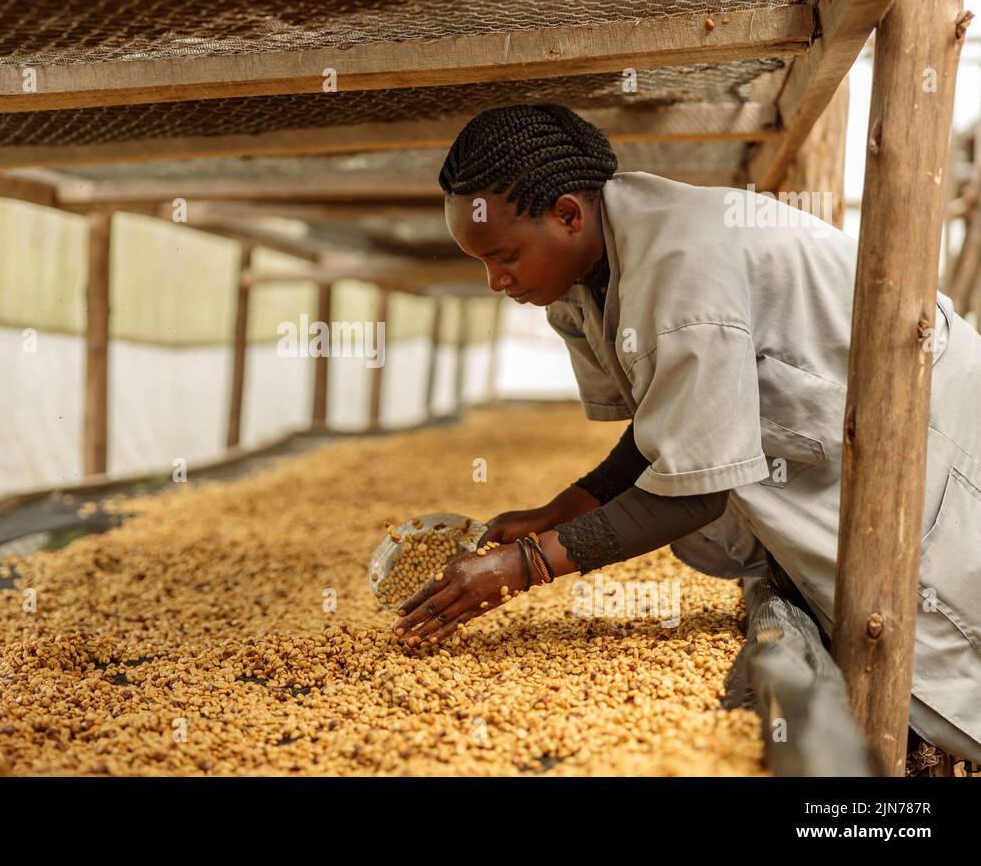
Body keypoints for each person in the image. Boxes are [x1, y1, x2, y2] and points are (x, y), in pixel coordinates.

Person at [392, 103, 981, 770]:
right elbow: (664, 425)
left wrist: (524, 567)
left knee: (943, 643)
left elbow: (692, 494)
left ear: (567, 214)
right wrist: (559, 511)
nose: (497, 282)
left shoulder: (681, 270)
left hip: (931, 431)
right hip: (842, 447)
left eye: (504, 257)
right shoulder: (581, 276)